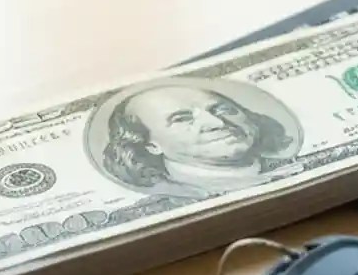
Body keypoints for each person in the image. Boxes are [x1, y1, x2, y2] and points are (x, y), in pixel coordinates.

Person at [101, 84, 297, 197]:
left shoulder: (297, 167)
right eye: (182, 119)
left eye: (222, 110)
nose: (217, 122)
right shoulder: (167, 198)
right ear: (150, 145)